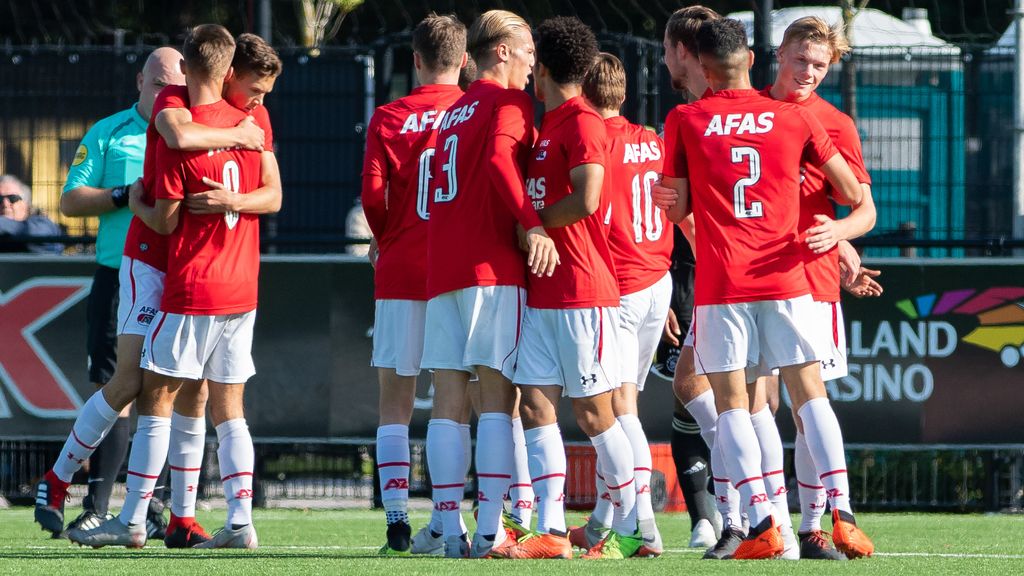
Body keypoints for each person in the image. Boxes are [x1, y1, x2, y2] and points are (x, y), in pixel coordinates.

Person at [656, 17, 873, 559]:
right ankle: (842, 512)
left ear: (704, 68)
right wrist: (834, 227)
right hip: (788, 279)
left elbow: (677, 206)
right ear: (755, 59)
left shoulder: (685, 117)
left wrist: (676, 200)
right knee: (809, 395)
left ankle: (761, 522)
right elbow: (851, 193)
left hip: (725, 282)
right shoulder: (793, 119)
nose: (808, 72)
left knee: (734, 405)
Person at [64, 24, 270, 550]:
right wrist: (237, 192)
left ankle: (131, 520)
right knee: (225, 407)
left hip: (192, 286)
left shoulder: (180, 125)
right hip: (243, 289)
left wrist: (136, 201)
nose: (259, 98)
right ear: (229, 74)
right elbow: (273, 195)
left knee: (155, 398)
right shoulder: (252, 121)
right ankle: (237, 522)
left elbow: (164, 221)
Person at [34, 49, 188, 540]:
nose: (166, 93)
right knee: (118, 387)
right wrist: (125, 194)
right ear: (140, 79)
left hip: (177, 274)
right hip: (117, 272)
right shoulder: (110, 131)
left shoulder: (188, 128)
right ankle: (97, 503)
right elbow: (69, 199)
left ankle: (156, 507)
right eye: (158, 83)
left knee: (168, 389)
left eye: (175, 84)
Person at [420, 9, 558, 559]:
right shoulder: (508, 103)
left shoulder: (451, 112)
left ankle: (452, 531)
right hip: (489, 271)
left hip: (444, 269)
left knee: (450, 401)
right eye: (526, 49)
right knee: (499, 400)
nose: (532, 61)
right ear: (499, 51)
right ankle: (489, 533)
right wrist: (533, 224)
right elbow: (503, 160)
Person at [508, 16, 637, 561]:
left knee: (593, 413)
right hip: (544, 294)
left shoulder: (583, 122)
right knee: (536, 405)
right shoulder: (549, 125)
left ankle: (632, 526)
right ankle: (554, 529)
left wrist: (534, 221)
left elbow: (587, 198)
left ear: (540, 68)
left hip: (584, 292)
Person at [763, 16, 878, 560]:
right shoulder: (745, 108)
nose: (808, 71)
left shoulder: (835, 123)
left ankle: (813, 523)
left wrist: (837, 234)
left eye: (819, 64)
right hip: (744, 281)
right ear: (779, 52)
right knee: (745, 402)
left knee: (809, 403)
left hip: (808, 281)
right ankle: (753, 519)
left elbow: (864, 210)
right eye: (801, 58)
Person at [361, 13, 467, 556]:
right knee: (458, 396)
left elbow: (374, 198)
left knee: (394, 401)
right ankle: (454, 520)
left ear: (416, 60)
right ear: (465, 60)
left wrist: (387, 237)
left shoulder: (388, 116)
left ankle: (398, 519)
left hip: (401, 268)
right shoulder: (478, 112)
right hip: (459, 271)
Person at [570, 52, 669, 557]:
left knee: (616, 409)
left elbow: (597, 218)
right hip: (658, 278)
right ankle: (602, 523)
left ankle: (643, 526)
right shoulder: (651, 140)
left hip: (621, 283)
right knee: (622, 405)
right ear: (624, 94)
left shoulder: (594, 141)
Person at [656, 5, 723, 552]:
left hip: (730, 271)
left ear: (681, 51)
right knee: (689, 389)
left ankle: (749, 498)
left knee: (749, 392)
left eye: (665, 49)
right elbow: (662, 207)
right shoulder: (679, 118)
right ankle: (708, 512)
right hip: (688, 273)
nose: (663, 60)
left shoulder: (704, 116)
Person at [0, 175, 62, 254]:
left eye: (13, 198)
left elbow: (42, 235)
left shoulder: (42, 224)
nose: (5, 204)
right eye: (0, 199)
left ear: (26, 204)